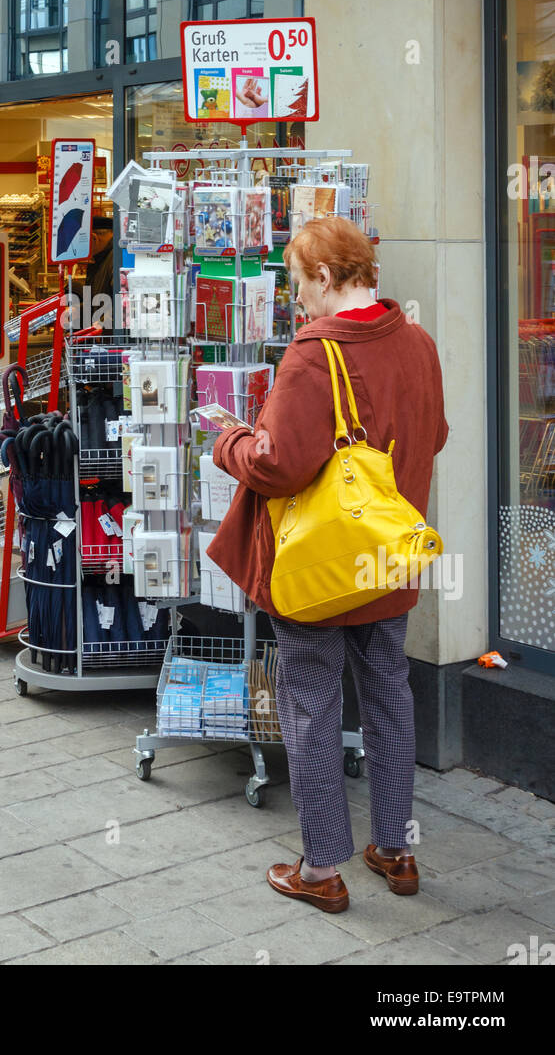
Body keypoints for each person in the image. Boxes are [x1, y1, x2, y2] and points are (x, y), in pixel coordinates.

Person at [207, 216, 448, 913]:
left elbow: (275, 465)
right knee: (389, 698)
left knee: (310, 705)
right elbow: (431, 437)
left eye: (296, 282)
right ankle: (396, 851)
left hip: (318, 568)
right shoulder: (419, 343)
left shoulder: (314, 356)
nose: (296, 299)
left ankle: (319, 870)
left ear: (322, 276)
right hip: (388, 559)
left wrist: (230, 440)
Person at [84, 214, 115, 328]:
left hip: (111, 340)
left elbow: (124, 301)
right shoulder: (100, 258)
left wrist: (103, 324)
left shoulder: (115, 259)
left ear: (93, 238)